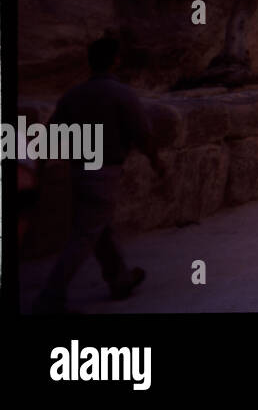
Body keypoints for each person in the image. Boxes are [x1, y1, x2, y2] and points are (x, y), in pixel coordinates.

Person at [33, 36, 163, 314]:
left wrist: (39, 171)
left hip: (79, 170)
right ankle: (51, 296)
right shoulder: (122, 95)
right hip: (104, 172)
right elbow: (143, 134)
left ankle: (120, 279)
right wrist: (157, 163)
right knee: (84, 234)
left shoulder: (73, 95)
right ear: (115, 60)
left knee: (98, 227)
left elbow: (50, 137)